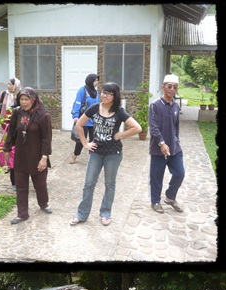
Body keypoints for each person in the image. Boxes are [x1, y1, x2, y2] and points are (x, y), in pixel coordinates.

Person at [70, 82, 141, 226]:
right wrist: (85, 144)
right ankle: (81, 214)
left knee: (109, 184)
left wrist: (119, 135)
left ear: (115, 97)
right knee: (89, 183)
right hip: (96, 152)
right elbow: (79, 125)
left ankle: (105, 212)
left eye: (109, 93)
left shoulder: (119, 112)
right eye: (103, 92)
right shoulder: (94, 108)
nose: (105, 95)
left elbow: (137, 128)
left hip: (113, 154)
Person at [3, 86, 52, 224]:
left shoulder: (43, 115)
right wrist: (7, 148)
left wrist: (44, 157)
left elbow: (46, 138)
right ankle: (22, 213)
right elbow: (12, 131)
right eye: (21, 99)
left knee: (40, 184)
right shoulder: (18, 113)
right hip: (21, 155)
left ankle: (44, 204)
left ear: (33, 99)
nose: (24, 102)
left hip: (37, 156)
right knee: (21, 185)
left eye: (26, 99)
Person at [148, 74, 184, 214]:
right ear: (163, 87)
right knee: (156, 176)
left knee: (180, 173)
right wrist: (162, 143)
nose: (172, 89)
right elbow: (154, 127)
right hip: (158, 148)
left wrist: (176, 140)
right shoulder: (155, 105)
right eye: (169, 86)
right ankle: (155, 201)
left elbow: (176, 127)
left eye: (174, 87)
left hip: (174, 148)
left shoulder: (175, 106)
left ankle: (170, 197)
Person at [69, 73, 99, 164]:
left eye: (98, 80)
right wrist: (75, 116)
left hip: (94, 120)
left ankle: (92, 158)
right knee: (81, 140)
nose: (97, 82)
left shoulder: (97, 93)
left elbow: (99, 105)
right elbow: (77, 103)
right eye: (95, 80)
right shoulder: (83, 90)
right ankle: (75, 155)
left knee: (94, 140)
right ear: (90, 81)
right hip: (84, 120)